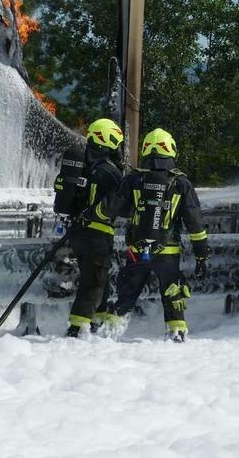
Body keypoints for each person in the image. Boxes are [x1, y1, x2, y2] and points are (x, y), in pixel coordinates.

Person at [101, 128, 210, 342]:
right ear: (171, 150)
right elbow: (195, 225)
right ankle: (176, 333)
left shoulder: (133, 180)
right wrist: (202, 256)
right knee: (172, 293)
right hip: (168, 253)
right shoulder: (182, 183)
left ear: (145, 149)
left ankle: (108, 335)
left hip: (137, 250)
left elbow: (112, 209)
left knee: (127, 294)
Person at [63, 118, 126, 337]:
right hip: (98, 233)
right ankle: (77, 328)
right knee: (94, 280)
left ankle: (99, 321)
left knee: (100, 276)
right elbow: (124, 205)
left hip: (76, 232)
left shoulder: (82, 166)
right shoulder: (110, 172)